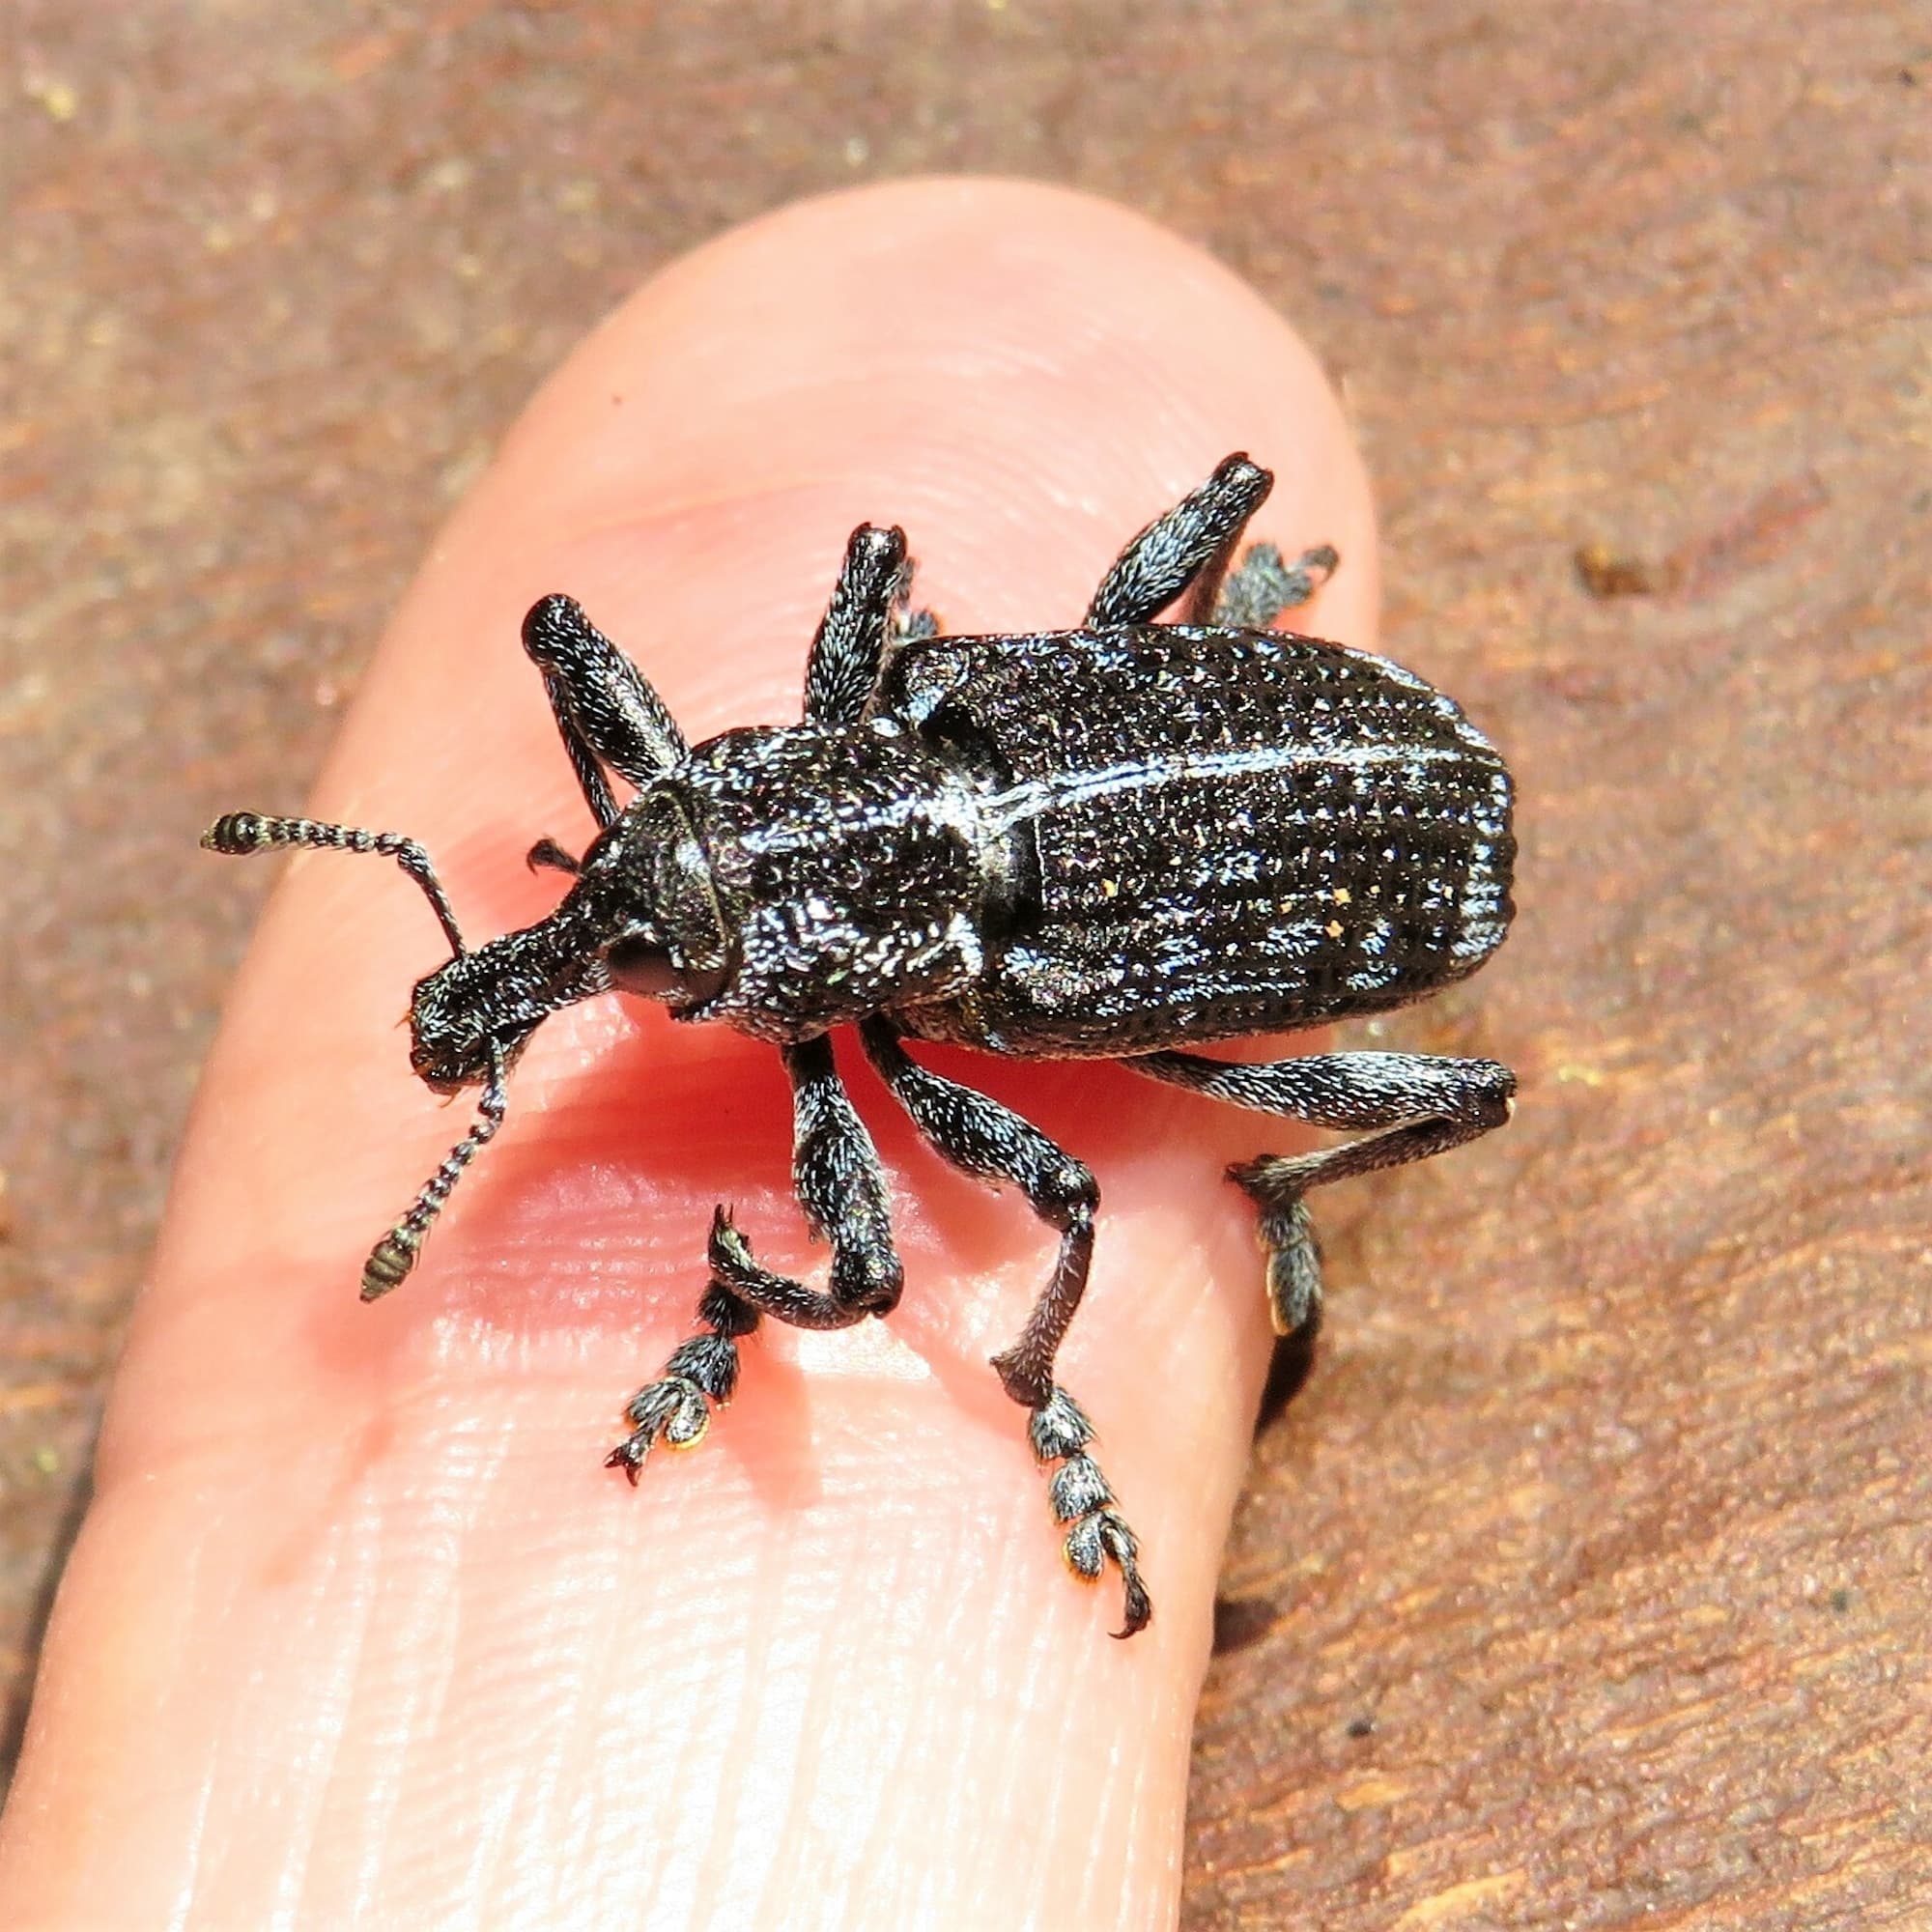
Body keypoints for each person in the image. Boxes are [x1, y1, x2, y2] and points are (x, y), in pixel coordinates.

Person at [0, 178, 1378, 1927]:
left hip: (1318, 867)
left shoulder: (955, 993)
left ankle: (1127, 1324)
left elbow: (918, 1250)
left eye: (645, 933)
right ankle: (1194, 651)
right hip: (1098, 737)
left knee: (1081, 1200)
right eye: (629, 899)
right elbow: (797, 581)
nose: (569, 954)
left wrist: (979, 1373)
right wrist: (612, 911)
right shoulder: (831, 762)